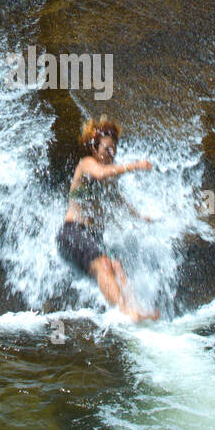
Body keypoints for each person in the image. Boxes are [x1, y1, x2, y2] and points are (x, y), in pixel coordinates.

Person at [57, 115, 159, 321]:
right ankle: (125, 312)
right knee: (104, 264)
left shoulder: (108, 181)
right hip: (72, 233)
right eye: (107, 150)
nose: (111, 155)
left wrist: (143, 218)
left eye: (114, 150)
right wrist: (135, 165)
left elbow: (121, 203)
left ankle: (136, 309)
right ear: (95, 150)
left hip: (93, 237)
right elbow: (102, 173)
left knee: (117, 265)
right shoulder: (87, 164)